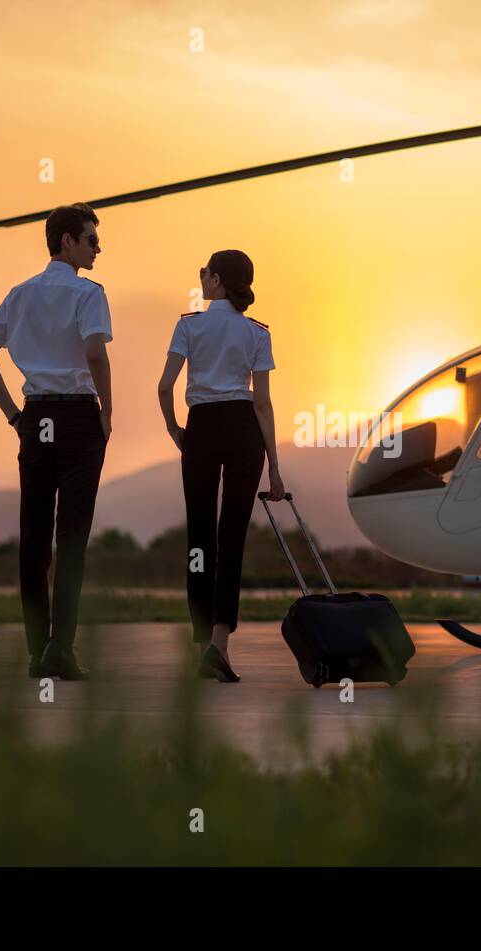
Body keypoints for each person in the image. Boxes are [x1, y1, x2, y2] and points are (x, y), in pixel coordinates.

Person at [0, 202, 113, 681]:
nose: (98, 247)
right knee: (71, 538)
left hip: (36, 419)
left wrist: (14, 415)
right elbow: (94, 351)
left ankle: (36, 653)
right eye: (92, 239)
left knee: (33, 539)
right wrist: (107, 410)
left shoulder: (19, 294)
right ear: (67, 241)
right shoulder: (89, 293)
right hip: (77, 417)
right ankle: (62, 649)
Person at [157, 249, 283, 682]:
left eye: (205, 272)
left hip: (202, 429)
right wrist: (276, 470)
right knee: (232, 540)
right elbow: (263, 404)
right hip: (244, 430)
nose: (201, 278)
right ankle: (219, 644)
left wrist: (175, 430)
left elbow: (164, 385)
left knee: (199, 538)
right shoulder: (256, 333)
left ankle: (199, 640)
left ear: (216, 281)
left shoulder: (188, 325)